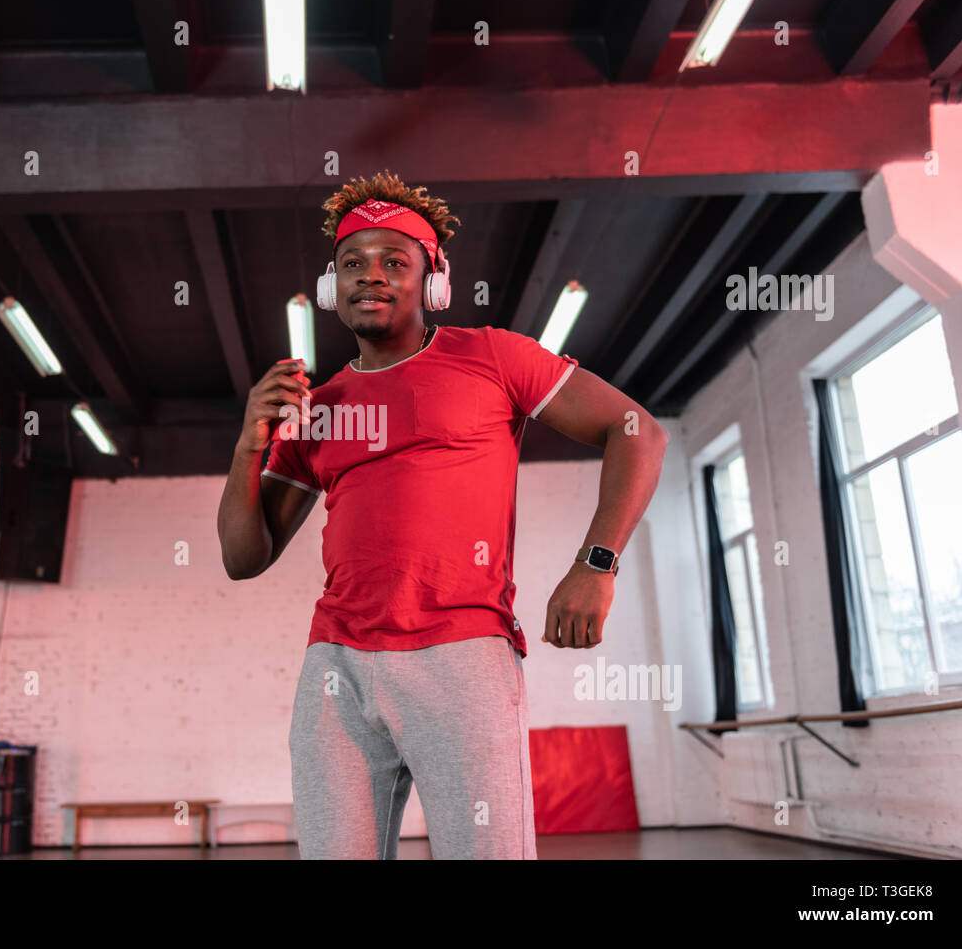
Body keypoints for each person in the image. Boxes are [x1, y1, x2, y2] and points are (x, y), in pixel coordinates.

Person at [216, 170, 669, 859]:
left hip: (462, 652)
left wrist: (596, 564)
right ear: (333, 287)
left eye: (395, 261)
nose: (371, 275)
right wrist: (250, 445)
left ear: (434, 282)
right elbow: (243, 557)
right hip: (336, 664)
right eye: (352, 263)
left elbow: (637, 431)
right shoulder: (321, 407)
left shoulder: (492, 356)